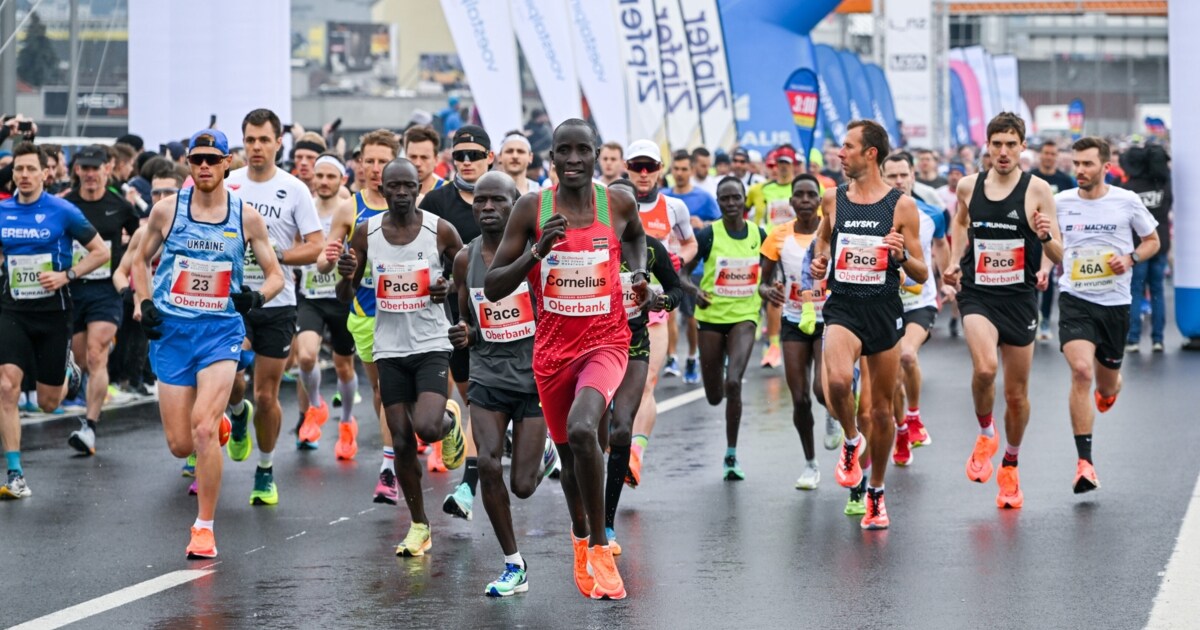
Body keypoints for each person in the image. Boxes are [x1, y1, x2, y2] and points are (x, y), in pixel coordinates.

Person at [484, 119, 648, 600]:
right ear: (551, 157)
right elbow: (493, 287)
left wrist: (638, 271)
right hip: (553, 352)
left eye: (583, 150)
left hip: (606, 342)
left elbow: (636, 237)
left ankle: (600, 544)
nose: (573, 159)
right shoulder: (532, 208)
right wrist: (537, 252)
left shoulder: (616, 203)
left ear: (596, 154)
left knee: (582, 429)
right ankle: (580, 537)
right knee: (573, 461)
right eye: (564, 151)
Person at [132, 129, 283, 558]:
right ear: (188, 163)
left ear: (226, 163)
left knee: (201, 429)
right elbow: (139, 260)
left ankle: (204, 528)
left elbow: (275, 275)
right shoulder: (167, 210)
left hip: (220, 332)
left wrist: (256, 297)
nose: (203, 166)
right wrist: (145, 302)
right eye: (196, 159)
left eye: (212, 159)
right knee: (181, 444)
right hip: (173, 332)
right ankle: (219, 426)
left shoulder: (246, 217)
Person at [336, 157, 467, 557]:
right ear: (382, 189)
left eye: (409, 186)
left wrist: (449, 288)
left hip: (431, 343)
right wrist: (346, 274)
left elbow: (466, 270)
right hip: (389, 346)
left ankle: (449, 423)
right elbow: (345, 295)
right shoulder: (366, 232)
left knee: (426, 427)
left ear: (419, 188)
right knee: (401, 439)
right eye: (393, 186)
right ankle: (419, 525)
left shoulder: (438, 229)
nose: (401, 193)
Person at [810, 120, 927, 530]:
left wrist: (901, 257)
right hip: (843, 306)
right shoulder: (833, 198)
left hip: (883, 310)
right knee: (837, 382)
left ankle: (876, 489)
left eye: (848, 147)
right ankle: (850, 439)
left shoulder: (901, 206)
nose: (840, 154)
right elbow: (823, 238)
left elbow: (922, 273)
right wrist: (821, 259)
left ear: (870, 153)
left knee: (881, 412)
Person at [943, 112, 1062, 510]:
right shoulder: (968, 186)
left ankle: (1010, 463)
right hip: (978, 293)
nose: (1004, 152)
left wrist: (1045, 236)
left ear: (1022, 147)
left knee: (1015, 395)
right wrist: (955, 260)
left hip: (1019, 298)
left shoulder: (1038, 189)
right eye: (997, 144)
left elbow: (1059, 253)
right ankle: (985, 433)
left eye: (1011, 144)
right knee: (984, 370)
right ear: (988, 146)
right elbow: (960, 222)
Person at [448, 171, 558, 596]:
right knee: (490, 464)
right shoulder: (465, 259)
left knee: (523, 486)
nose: (488, 207)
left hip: (533, 376)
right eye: (480, 200)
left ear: (516, 205)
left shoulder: (541, 254)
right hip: (488, 374)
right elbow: (466, 317)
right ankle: (514, 563)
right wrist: (465, 333)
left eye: (498, 200)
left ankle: (545, 449)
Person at [223, 108, 325, 506]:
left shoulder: (294, 189)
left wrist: (277, 256)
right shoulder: (228, 184)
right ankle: (237, 413)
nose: (256, 147)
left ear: (279, 143)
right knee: (231, 378)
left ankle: (265, 470)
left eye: (264, 139)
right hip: (232, 301)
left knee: (266, 396)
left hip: (277, 302)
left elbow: (316, 245)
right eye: (250, 139)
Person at [0, 142, 106, 499]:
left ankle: (69, 374)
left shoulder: (63, 211)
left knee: (48, 402)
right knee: (6, 386)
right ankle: (15, 473)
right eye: (19, 169)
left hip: (54, 313)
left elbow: (100, 252)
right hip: (13, 310)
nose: (24, 175)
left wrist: (67, 275)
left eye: (31, 169)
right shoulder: (3, 210)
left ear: (45, 173)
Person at [1055, 136, 1159, 493]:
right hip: (1075, 299)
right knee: (1081, 371)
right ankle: (1085, 464)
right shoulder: (1061, 202)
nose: (1080, 170)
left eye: (1087, 164)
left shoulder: (1126, 201)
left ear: (1105, 166)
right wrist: (1043, 267)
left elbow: (1153, 241)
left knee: (1106, 384)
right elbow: (1051, 245)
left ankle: (1110, 388)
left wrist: (1130, 258)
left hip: (1115, 303)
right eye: (1076, 164)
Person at [603, 177, 685, 554]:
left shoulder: (650, 248)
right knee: (592, 433)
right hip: (593, 344)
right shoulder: (589, 245)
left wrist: (660, 302)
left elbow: (676, 288)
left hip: (634, 342)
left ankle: (606, 523)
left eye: (627, 210)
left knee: (621, 427)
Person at [321, 129, 401, 503]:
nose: (375, 168)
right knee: (382, 390)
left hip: (407, 312)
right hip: (366, 312)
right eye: (369, 160)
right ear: (359, 164)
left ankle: (389, 466)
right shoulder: (348, 208)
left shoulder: (412, 204)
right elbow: (324, 261)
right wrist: (329, 260)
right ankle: (393, 451)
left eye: (383, 161)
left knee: (396, 390)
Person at [422, 125, 490, 514]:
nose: (466, 162)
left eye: (474, 155)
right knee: (474, 399)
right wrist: (441, 283)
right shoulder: (436, 201)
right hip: (455, 316)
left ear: (489, 158)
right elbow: (421, 254)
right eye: (459, 155)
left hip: (501, 315)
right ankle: (466, 442)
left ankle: (467, 488)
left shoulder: (508, 197)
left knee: (487, 399)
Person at [683, 177, 768, 480]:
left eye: (736, 197)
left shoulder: (759, 234)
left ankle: (731, 454)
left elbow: (771, 272)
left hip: (745, 317)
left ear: (745, 200)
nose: (731, 203)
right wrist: (695, 292)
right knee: (714, 396)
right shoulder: (708, 235)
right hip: (710, 319)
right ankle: (715, 377)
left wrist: (768, 288)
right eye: (725, 198)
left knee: (734, 382)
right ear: (718, 202)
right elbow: (681, 272)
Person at [621, 141, 696, 483]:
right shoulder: (609, 202)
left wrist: (678, 260)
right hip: (609, 309)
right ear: (626, 167)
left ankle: (635, 455)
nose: (643, 173)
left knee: (647, 382)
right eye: (637, 166)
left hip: (652, 308)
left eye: (650, 166)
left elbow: (690, 242)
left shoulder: (674, 207)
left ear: (660, 169)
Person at [62, 145, 141, 454]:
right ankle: (82, 371)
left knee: (96, 355)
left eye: (96, 168)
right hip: (73, 289)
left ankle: (89, 427)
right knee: (82, 359)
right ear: (77, 170)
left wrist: (127, 262)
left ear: (106, 169)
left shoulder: (119, 205)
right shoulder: (66, 204)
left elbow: (141, 238)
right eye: (85, 168)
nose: (90, 174)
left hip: (106, 290)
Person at [758, 174, 829, 489]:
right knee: (799, 398)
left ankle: (834, 415)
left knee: (822, 390)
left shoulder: (832, 231)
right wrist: (768, 291)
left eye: (811, 195)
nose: (804, 200)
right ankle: (810, 464)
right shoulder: (778, 236)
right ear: (790, 202)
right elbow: (762, 282)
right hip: (793, 320)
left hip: (829, 320)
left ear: (820, 201)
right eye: (799, 195)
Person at [881, 153, 951, 466]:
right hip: (885, 304)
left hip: (921, 302)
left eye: (903, 175)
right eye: (892, 176)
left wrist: (946, 279)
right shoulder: (874, 214)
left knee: (907, 355)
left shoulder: (932, 213)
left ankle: (913, 417)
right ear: (883, 177)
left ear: (912, 176)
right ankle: (900, 432)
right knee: (893, 378)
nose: (898, 181)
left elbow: (941, 244)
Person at [292, 155, 361, 459]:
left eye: (330, 176)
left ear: (342, 179)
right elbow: (294, 243)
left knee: (344, 366)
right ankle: (316, 405)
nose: (323, 181)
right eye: (319, 176)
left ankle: (346, 422)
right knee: (306, 356)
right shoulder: (303, 206)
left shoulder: (348, 210)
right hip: (311, 296)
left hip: (342, 296)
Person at [664, 149, 719, 383]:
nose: (679, 173)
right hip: (667, 266)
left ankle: (691, 357)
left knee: (690, 318)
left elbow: (719, 224)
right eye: (676, 169)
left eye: (684, 169)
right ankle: (672, 357)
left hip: (693, 268)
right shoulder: (663, 196)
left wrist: (703, 223)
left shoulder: (703, 197)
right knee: (669, 313)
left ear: (692, 170)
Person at [747, 144, 801, 368]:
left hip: (797, 247)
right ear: (775, 166)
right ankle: (774, 345)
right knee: (773, 293)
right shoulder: (761, 189)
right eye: (780, 164)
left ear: (794, 165)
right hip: (772, 248)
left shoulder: (801, 188)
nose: (784, 168)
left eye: (787, 164)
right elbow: (745, 209)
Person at [1122, 144, 1172, 353]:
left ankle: (1133, 338)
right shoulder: (1164, 185)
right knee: (1157, 291)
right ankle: (1158, 339)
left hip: (1139, 247)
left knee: (1135, 290)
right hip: (1161, 244)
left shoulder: (1129, 187)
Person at [1030, 140, 1077, 341]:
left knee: (1047, 279)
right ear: (1040, 155)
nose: (1049, 157)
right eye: (1046, 153)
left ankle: (1046, 319)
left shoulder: (1065, 180)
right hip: (1031, 236)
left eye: (1052, 154)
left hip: (1055, 236)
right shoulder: (1030, 178)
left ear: (1057, 157)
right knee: (1031, 278)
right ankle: (1032, 317)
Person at [403, 125, 447, 198]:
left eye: (424, 157)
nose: (417, 163)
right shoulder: (392, 191)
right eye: (413, 157)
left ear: (436, 160)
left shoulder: (450, 193)